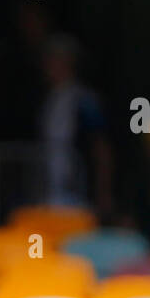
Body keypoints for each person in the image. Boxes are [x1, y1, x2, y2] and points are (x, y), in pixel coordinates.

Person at [37, 34, 112, 219]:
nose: (47, 66)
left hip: (78, 192)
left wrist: (103, 191)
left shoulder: (85, 99)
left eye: (53, 59)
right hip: (50, 191)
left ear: (68, 61)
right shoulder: (49, 99)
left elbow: (100, 146)